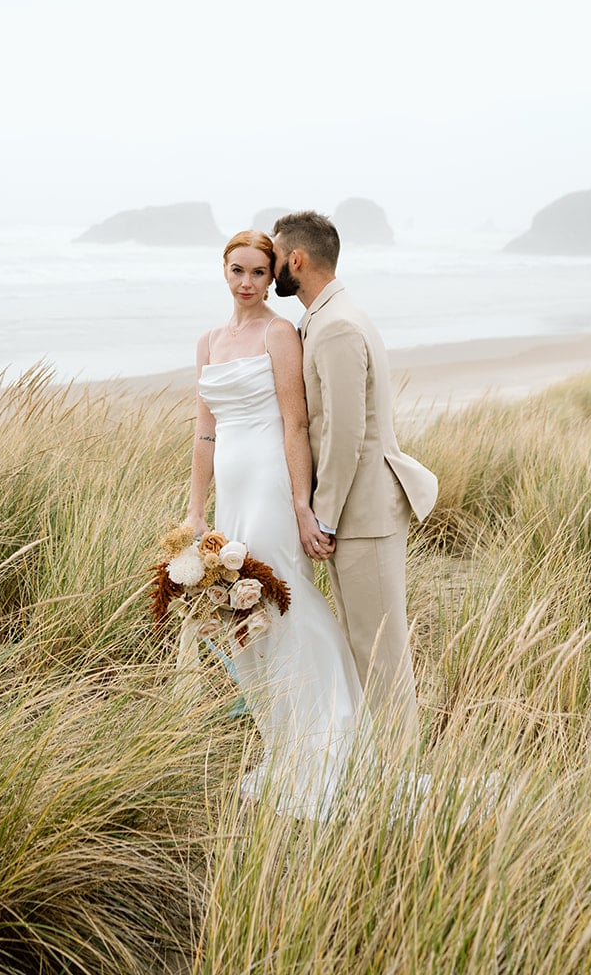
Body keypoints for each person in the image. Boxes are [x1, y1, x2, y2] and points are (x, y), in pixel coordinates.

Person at [186, 229, 367, 817]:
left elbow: (294, 424)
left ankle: (333, 734)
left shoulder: (278, 332)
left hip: (269, 481)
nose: (246, 283)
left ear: (272, 277)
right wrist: (195, 509)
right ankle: (285, 738)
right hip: (231, 491)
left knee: (282, 597)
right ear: (224, 271)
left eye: (258, 273)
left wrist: (300, 503)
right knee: (242, 608)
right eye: (236, 271)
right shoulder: (209, 341)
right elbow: (204, 431)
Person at [271, 211, 439, 753]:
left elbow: (345, 434)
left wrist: (321, 514)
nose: (272, 267)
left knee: (379, 652)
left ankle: (401, 776)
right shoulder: (327, 316)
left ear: (296, 260)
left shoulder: (338, 325)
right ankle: (381, 766)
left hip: (362, 513)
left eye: (275, 256)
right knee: (365, 645)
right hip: (358, 511)